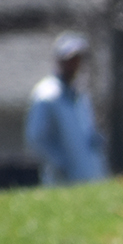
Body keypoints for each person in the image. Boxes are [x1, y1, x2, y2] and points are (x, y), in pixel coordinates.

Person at [24, 32, 108, 185]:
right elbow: (36, 137)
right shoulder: (46, 95)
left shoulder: (80, 95)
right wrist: (60, 163)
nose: (74, 65)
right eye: (70, 60)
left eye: (78, 60)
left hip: (89, 176)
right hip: (61, 180)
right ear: (59, 60)